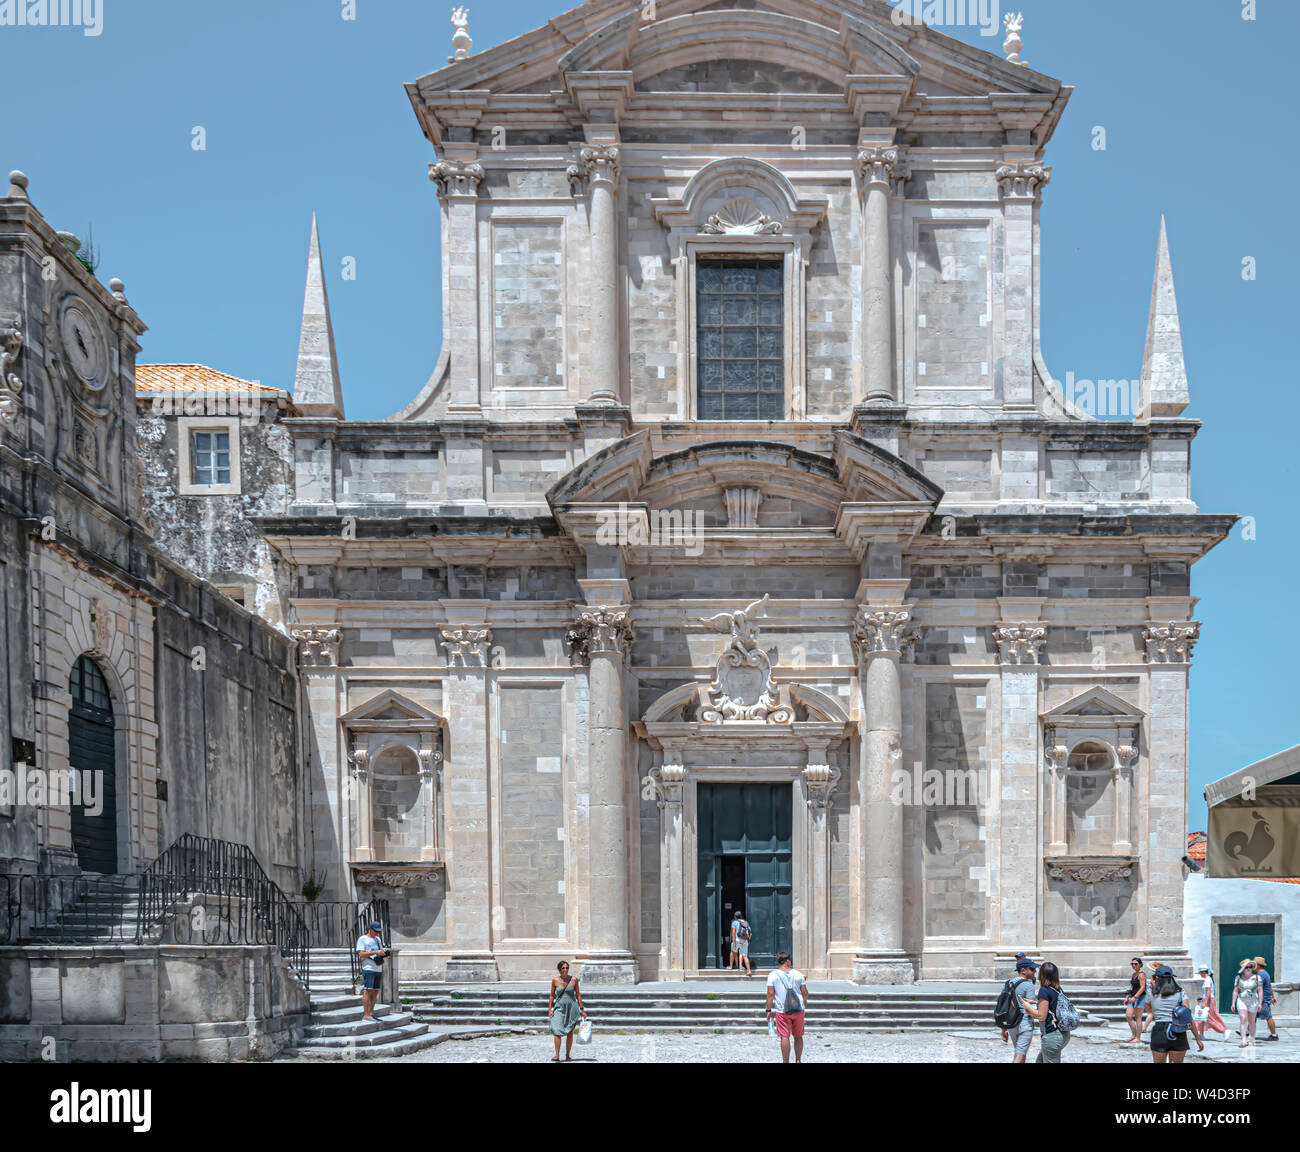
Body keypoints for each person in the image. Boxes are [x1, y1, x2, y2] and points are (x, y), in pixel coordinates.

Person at [1148, 964, 1202, 1062]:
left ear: (1156, 978)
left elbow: (1149, 1011)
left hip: (1159, 1032)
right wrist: (1197, 1038)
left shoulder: (1151, 994)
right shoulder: (1181, 993)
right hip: (1178, 1032)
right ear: (1172, 978)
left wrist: (1153, 985)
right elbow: (1187, 1017)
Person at [1020, 960, 1071, 1062]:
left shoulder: (1044, 990)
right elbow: (1051, 1006)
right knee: (1039, 1061)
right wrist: (1035, 1002)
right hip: (1064, 1034)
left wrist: (1027, 1006)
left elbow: (1041, 1016)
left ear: (1042, 975)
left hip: (1052, 1035)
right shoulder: (1057, 989)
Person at [765, 951, 809, 1064]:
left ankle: (786, 1062)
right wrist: (804, 1002)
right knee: (798, 1036)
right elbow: (804, 991)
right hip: (798, 1009)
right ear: (788, 960)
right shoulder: (798, 974)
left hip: (782, 1011)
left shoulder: (773, 975)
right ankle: (798, 1060)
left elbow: (770, 994)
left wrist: (768, 1010)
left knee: (785, 1037)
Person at [998, 957, 1040, 1063]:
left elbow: (1004, 1005)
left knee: (1019, 1051)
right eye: (1032, 969)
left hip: (1011, 1022)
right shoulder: (1028, 984)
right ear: (1023, 970)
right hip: (1024, 1021)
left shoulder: (1008, 983)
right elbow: (1030, 1007)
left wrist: (1004, 1028)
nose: (1035, 971)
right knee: (1020, 1053)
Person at [548, 960, 587, 1061]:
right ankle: (557, 1055)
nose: (565, 970)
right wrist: (549, 1009)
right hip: (559, 1008)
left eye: (567, 968)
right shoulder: (555, 980)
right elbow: (552, 995)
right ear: (559, 969)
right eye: (563, 968)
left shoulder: (574, 980)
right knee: (556, 1031)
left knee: (570, 1032)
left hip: (572, 1008)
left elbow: (578, 995)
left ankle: (567, 1055)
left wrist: (582, 1009)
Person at [355, 919, 390, 1021]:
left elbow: (379, 952)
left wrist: (383, 954)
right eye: (375, 931)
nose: (377, 933)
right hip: (368, 968)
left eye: (378, 931)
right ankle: (365, 1015)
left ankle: (371, 1013)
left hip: (377, 968)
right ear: (370, 929)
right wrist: (375, 952)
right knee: (368, 990)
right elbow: (361, 954)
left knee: (375, 992)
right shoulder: (362, 939)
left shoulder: (378, 940)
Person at [1232, 958, 1261, 1048]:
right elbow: (1236, 991)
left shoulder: (1257, 978)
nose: (1248, 968)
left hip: (1253, 1001)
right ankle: (1243, 1040)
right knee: (1243, 1018)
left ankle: (1252, 1039)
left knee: (1252, 1021)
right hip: (1242, 1000)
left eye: (1250, 966)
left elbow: (1260, 991)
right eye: (1246, 967)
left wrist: (1260, 1003)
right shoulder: (1238, 978)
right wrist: (1233, 1003)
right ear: (1243, 969)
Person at [1194, 964, 1227, 1043]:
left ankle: (1224, 1031)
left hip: (1209, 1001)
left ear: (1202, 972)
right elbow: (1208, 993)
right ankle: (1201, 1034)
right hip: (1208, 999)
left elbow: (1208, 992)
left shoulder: (1207, 980)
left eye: (1200, 973)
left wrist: (1205, 1003)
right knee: (1202, 1018)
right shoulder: (1208, 979)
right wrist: (1202, 999)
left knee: (1211, 1018)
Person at [1123, 956, 1148, 1043]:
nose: (1134, 965)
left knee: (1138, 1017)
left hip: (1140, 997)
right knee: (1128, 1016)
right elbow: (1132, 986)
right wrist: (1128, 996)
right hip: (1133, 997)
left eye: (1136, 964)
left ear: (1140, 965)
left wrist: (1135, 997)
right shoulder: (1134, 975)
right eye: (1132, 964)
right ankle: (1133, 1035)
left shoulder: (1142, 974)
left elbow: (1142, 987)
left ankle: (1138, 1037)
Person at [1254, 957, 1279, 1041]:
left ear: (1257, 965)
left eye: (1254, 964)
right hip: (1263, 999)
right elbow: (1270, 986)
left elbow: (1256, 987)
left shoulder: (1261, 975)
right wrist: (1273, 996)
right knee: (1253, 1016)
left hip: (1263, 1000)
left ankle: (1274, 1035)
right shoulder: (1265, 974)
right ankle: (1247, 1032)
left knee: (1268, 1017)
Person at [729, 908, 753, 975]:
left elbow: (733, 932)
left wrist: (733, 942)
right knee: (745, 956)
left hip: (737, 940)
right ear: (741, 916)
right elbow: (750, 933)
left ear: (735, 917)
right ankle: (749, 970)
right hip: (744, 941)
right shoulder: (745, 922)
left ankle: (730, 966)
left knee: (732, 952)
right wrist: (747, 940)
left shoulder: (734, 922)